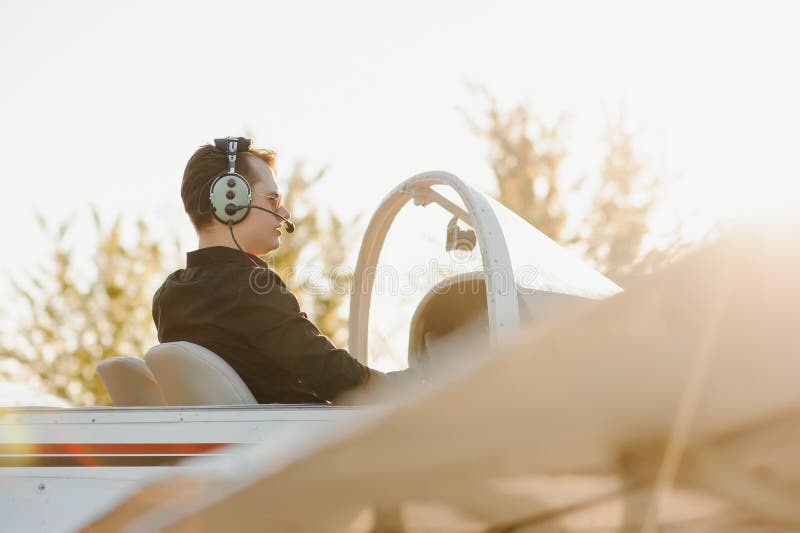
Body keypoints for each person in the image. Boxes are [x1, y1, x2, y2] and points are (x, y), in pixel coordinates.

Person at [152, 140, 391, 403]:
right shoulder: (251, 286)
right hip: (304, 440)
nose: (284, 213)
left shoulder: (168, 296)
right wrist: (421, 381)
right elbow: (341, 381)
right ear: (230, 198)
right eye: (273, 199)